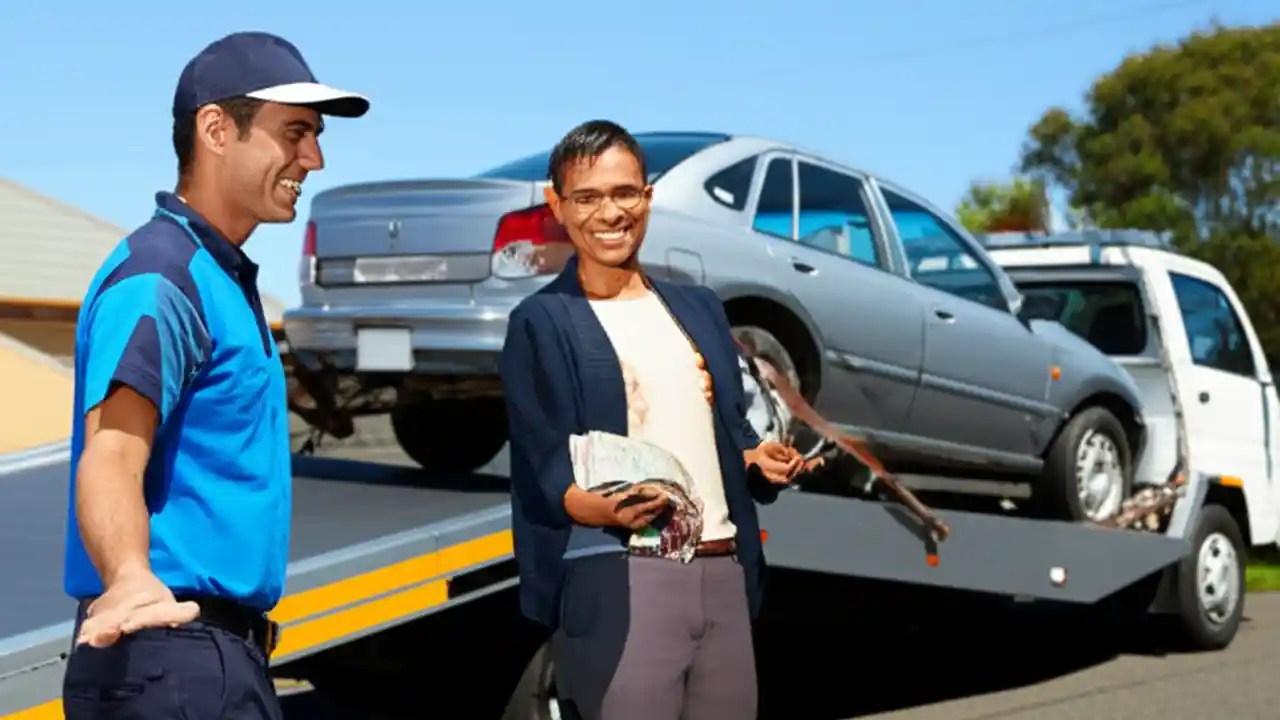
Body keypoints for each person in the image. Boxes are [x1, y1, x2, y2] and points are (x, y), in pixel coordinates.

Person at [60, 31, 368, 719]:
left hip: (200, 660)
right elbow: (111, 450)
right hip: (168, 650)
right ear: (216, 128)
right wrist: (130, 576)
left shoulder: (219, 277)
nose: (313, 159)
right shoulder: (163, 277)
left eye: (315, 137)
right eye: (294, 133)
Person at [500, 119, 804, 720]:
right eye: (586, 198)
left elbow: (731, 435)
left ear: (648, 196)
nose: (609, 213)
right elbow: (544, 470)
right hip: (622, 577)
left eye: (624, 193)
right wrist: (605, 509)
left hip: (723, 573)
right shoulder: (543, 322)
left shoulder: (699, 308)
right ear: (557, 205)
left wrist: (758, 460)